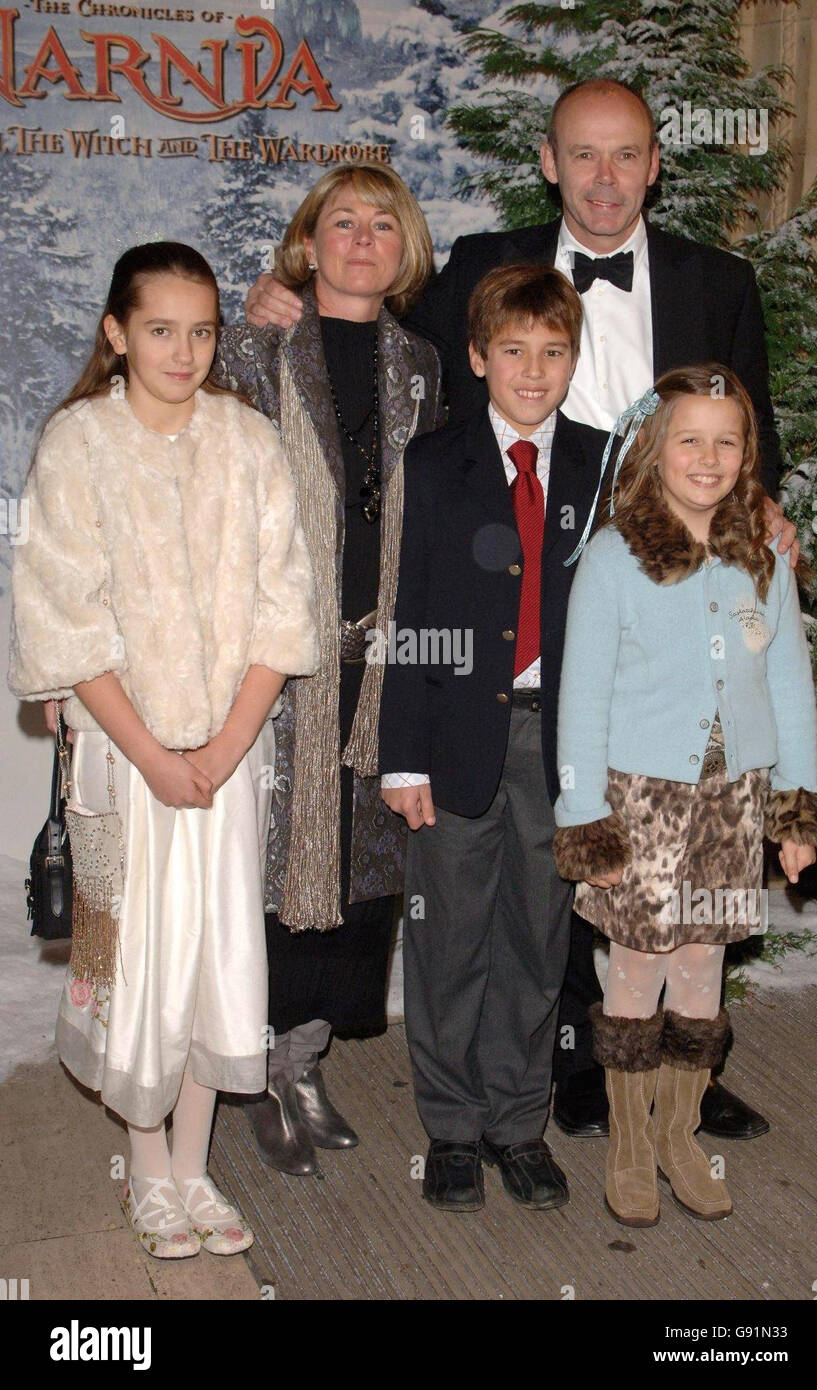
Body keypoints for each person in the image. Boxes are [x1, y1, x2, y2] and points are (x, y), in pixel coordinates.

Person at [243, 77, 795, 1142]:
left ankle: (670, 1064)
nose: (602, 177)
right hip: (521, 614)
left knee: (655, 829)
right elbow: (377, 325)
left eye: (624, 155)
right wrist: (279, 300)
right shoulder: (477, 268)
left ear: (653, 165)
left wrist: (766, 517)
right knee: (529, 861)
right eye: (581, 155)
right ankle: (549, 1074)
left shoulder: (715, 280)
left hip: (673, 611)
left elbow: (749, 433)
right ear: (549, 162)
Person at [8, 242, 319, 1259]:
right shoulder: (79, 445)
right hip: (122, 763)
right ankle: (145, 1171)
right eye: (158, 330)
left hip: (228, 764)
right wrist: (150, 753)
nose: (182, 351)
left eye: (199, 330)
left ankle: (194, 1166)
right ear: (116, 334)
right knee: (134, 966)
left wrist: (228, 745)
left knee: (219, 961)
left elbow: (286, 607)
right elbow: (65, 622)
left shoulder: (247, 441)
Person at [553, 364, 817, 1225]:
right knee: (637, 971)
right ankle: (632, 1142)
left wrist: (797, 805)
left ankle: (680, 1133)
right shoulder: (614, 556)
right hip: (640, 804)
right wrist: (582, 819)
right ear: (655, 448)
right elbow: (582, 697)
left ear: (746, 454)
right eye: (689, 440)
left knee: (703, 964)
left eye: (727, 440)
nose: (707, 458)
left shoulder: (762, 555)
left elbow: (788, 683)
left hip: (732, 800)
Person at [211, 164, 442, 1175]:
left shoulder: (428, 366)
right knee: (270, 875)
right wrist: (243, 326)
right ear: (306, 245)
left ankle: (305, 1061)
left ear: (405, 249)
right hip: (277, 659)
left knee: (357, 884)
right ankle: (253, 1061)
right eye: (338, 222)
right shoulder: (255, 349)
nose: (359, 238)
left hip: (382, 662)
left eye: (379, 224)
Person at [378, 264, 610, 1212]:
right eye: (512, 350)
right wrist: (402, 756)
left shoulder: (602, 466)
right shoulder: (435, 463)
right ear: (477, 357)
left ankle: (519, 1123)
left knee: (535, 937)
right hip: (456, 744)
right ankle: (451, 1127)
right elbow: (409, 614)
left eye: (553, 352)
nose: (532, 370)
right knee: (448, 939)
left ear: (572, 361)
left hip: (561, 749)